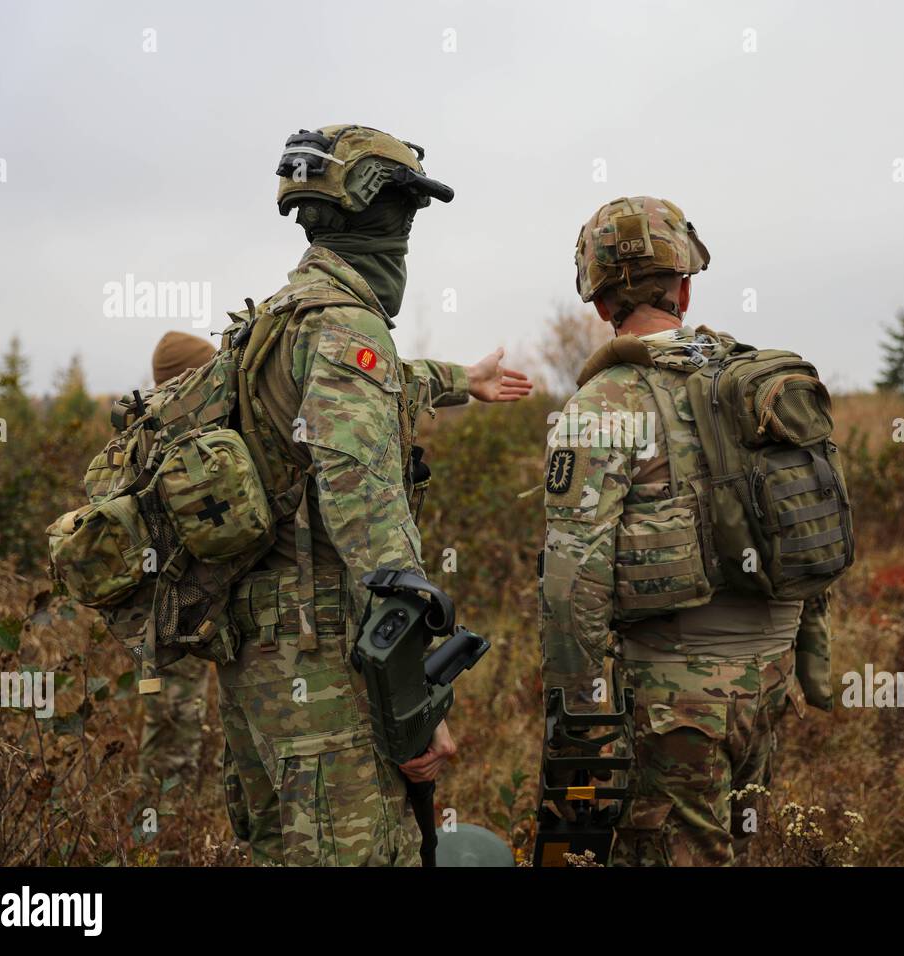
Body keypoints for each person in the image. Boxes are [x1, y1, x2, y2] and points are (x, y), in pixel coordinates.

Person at [218, 124, 531, 866]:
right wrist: (413, 711)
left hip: (254, 662)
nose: (407, 235)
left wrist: (465, 379)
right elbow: (371, 526)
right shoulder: (343, 325)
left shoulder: (274, 320)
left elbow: (373, 383)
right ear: (376, 212)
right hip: (322, 664)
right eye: (406, 216)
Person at [538, 196, 835, 866]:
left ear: (598, 301)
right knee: (743, 847)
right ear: (686, 284)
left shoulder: (603, 403)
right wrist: (811, 656)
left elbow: (570, 583)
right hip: (769, 678)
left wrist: (579, 718)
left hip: (674, 699)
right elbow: (804, 523)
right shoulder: (752, 378)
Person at [136, 332, 219, 791]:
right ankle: (160, 837)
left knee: (169, 720)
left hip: (159, 610)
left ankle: (164, 824)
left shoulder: (143, 432)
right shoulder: (170, 439)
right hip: (169, 609)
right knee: (174, 728)